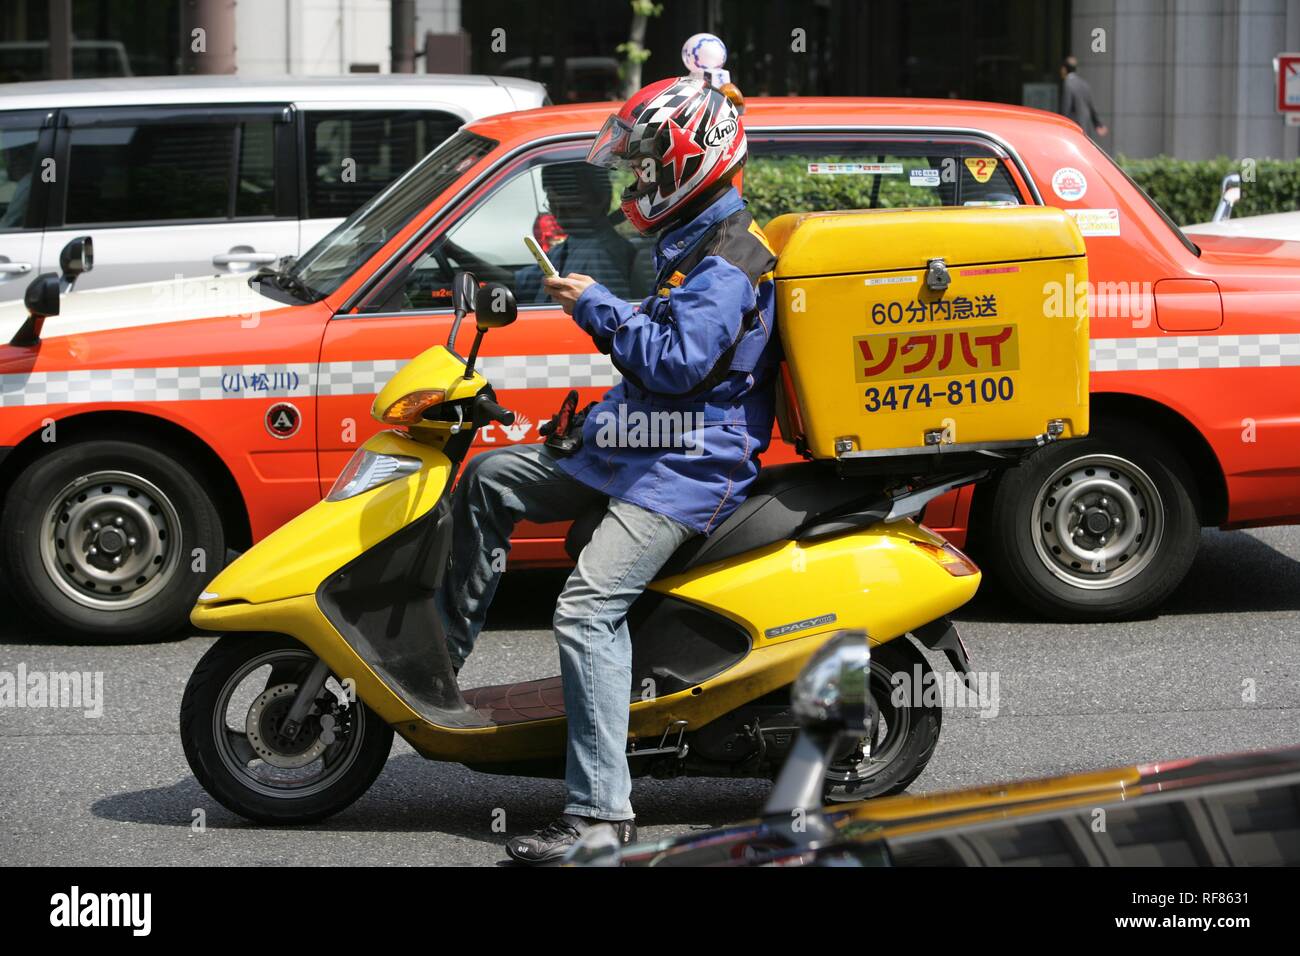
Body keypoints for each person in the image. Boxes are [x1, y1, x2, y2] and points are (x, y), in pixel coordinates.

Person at [436, 74, 781, 864]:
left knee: (587, 609)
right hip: (640, 442)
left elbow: (676, 362)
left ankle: (600, 816)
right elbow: (663, 364)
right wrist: (594, 418)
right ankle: (442, 667)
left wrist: (595, 304)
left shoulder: (731, 257)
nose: (634, 180)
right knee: (490, 480)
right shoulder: (691, 238)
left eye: (643, 165)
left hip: (689, 464)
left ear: (684, 165)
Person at [514, 162, 635, 303]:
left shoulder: (601, 256)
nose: (560, 216)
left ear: (600, 200)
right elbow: (526, 281)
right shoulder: (571, 244)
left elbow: (607, 311)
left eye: (569, 207)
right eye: (553, 205)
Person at [1059, 55, 1108, 141]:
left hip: (1073, 128)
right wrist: (1098, 124)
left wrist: (1061, 125)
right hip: (1085, 127)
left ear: (1064, 69)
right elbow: (1091, 106)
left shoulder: (1067, 83)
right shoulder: (1084, 83)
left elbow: (1066, 108)